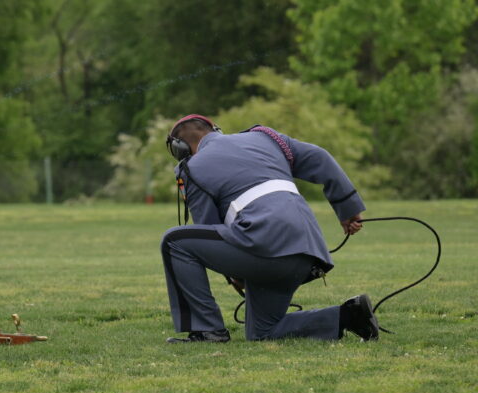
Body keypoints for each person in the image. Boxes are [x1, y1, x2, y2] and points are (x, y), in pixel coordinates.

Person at [160, 114, 382, 343]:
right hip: (308, 251)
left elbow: (209, 227)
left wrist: (235, 275)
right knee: (262, 332)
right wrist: (348, 208)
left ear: (180, 148)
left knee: (174, 241)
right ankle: (350, 315)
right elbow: (319, 157)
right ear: (216, 129)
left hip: (265, 247)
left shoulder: (191, 168)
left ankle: (207, 331)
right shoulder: (265, 137)